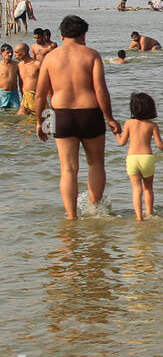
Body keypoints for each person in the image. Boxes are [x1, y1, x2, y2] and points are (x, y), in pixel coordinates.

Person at [33, 15, 122, 219]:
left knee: (68, 169)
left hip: (62, 114)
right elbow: (100, 89)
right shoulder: (91, 55)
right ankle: (94, 209)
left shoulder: (50, 58)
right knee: (96, 163)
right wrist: (109, 118)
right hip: (90, 113)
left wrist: (40, 121)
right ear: (83, 34)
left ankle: (71, 216)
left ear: (62, 36)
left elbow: (40, 94)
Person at [115, 92, 163, 220]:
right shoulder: (152, 125)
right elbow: (160, 145)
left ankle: (139, 217)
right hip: (147, 158)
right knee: (148, 188)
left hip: (132, 158)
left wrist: (116, 132)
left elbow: (122, 142)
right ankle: (149, 212)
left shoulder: (128, 123)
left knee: (136, 189)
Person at [0, 44, 19, 110]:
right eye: (7, 52)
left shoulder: (17, 64)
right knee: (3, 112)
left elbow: (22, 80)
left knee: (16, 111)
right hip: (2, 93)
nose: (10, 54)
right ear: (1, 53)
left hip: (14, 93)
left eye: (11, 52)